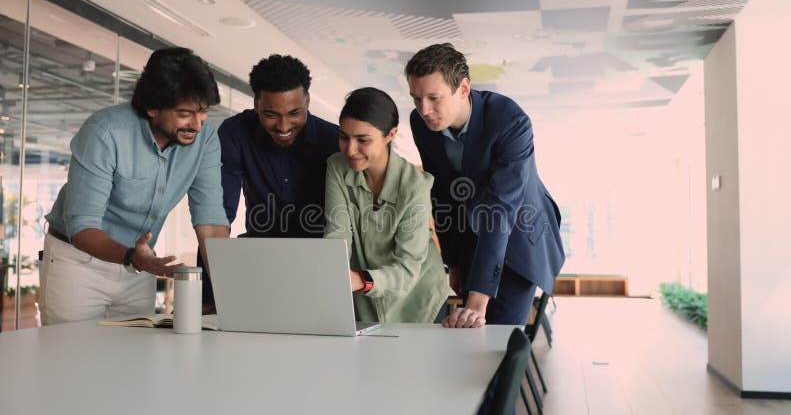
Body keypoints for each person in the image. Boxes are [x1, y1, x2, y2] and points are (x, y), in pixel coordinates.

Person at [40, 47, 230, 325]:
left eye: (203, 112)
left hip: (140, 267)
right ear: (152, 107)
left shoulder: (206, 140)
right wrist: (133, 257)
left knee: (133, 350)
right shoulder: (105, 132)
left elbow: (210, 222)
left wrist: (228, 293)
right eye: (185, 113)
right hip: (78, 263)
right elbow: (82, 226)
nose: (197, 124)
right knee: (70, 349)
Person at [405, 43, 565, 328]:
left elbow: (500, 208)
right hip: (471, 238)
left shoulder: (509, 121)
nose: (424, 109)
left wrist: (478, 300)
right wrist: (453, 261)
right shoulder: (421, 124)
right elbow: (441, 194)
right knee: (469, 338)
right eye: (416, 98)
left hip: (519, 238)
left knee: (498, 338)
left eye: (434, 98)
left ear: (463, 88)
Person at [201, 54, 339, 307]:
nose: (284, 126)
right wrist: (210, 297)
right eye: (271, 114)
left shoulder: (335, 141)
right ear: (256, 104)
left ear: (307, 100)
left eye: (294, 113)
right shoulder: (235, 134)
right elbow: (216, 216)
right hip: (259, 261)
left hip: (319, 266)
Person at [324, 87, 452, 323]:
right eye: (344, 137)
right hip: (365, 300)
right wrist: (335, 272)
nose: (350, 149)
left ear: (391, 134)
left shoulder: (415, 186)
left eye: (363, 140)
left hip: (420, 301)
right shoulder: (337, 167)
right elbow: (337, 235)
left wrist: (359, 280)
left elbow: (407, 269)